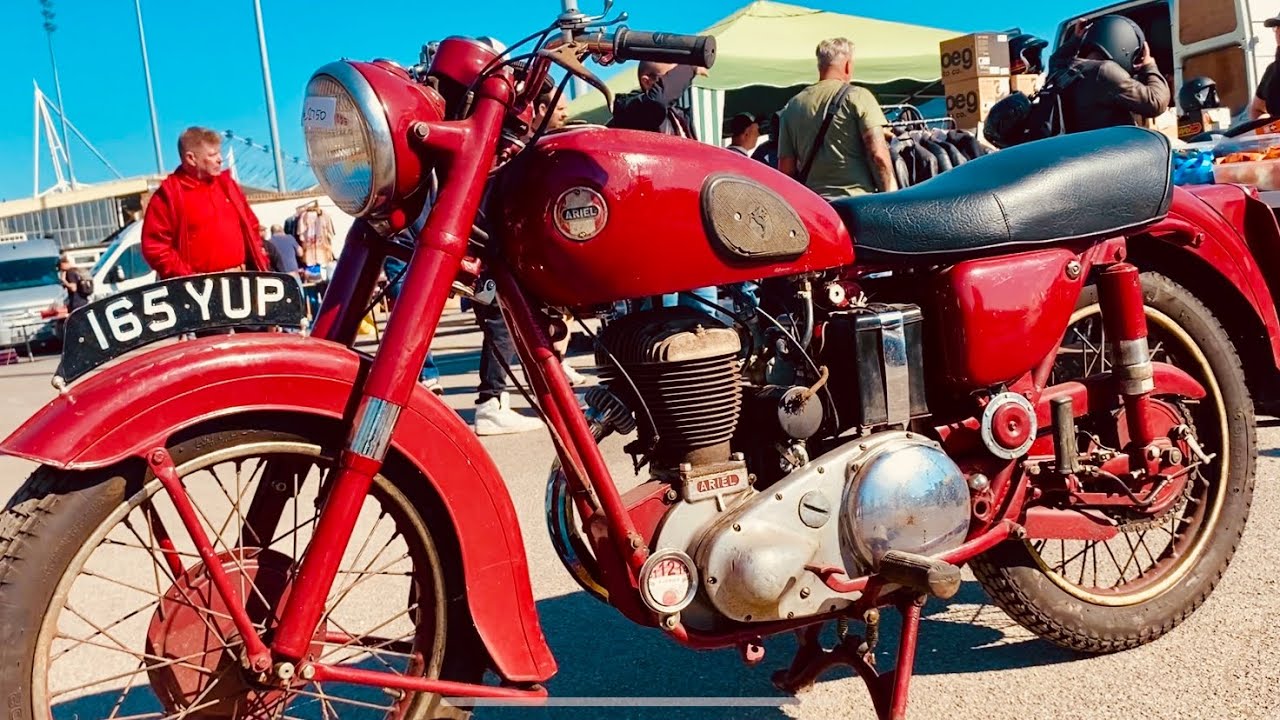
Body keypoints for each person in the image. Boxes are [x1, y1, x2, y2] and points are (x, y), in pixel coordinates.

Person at [141, 127, 269, 279]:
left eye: (219, 152)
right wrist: (189, 278)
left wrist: (261, 258)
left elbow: (252, 226)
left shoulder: (227, 185)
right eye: (212, 154)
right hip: (199, 291)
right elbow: (155, 247)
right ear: (191, 158)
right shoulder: (170, 195)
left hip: (242, 280)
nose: (220, 159)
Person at [778, 38, 897, 198]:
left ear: (820, 66)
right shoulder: (859, 96)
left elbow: (786, 171)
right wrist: (892, 198)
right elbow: (878, 155)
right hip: (857, 204)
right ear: (848, 65)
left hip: (816, 210)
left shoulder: (792, 106)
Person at [1050, 15, 1170, 133]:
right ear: (1124, 47)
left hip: (1073, 149)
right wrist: (1150, 66)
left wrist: (1075, 39)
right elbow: (1156, 103)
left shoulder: (1060, 69)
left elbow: (1056, 58)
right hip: (1109, 150)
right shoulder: (1104, 71)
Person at [609, 61, 707, 137]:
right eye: (669, 77)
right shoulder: (630, 110)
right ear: (646, 81)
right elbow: (657, 101)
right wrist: (690, 67)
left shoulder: (679, 117)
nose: (676, 81)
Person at [1251, 14, 1280, 120]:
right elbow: (1257, 109)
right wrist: (1264, 124)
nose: (1278, 31)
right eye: (1277, 27)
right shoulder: (1272, 70)